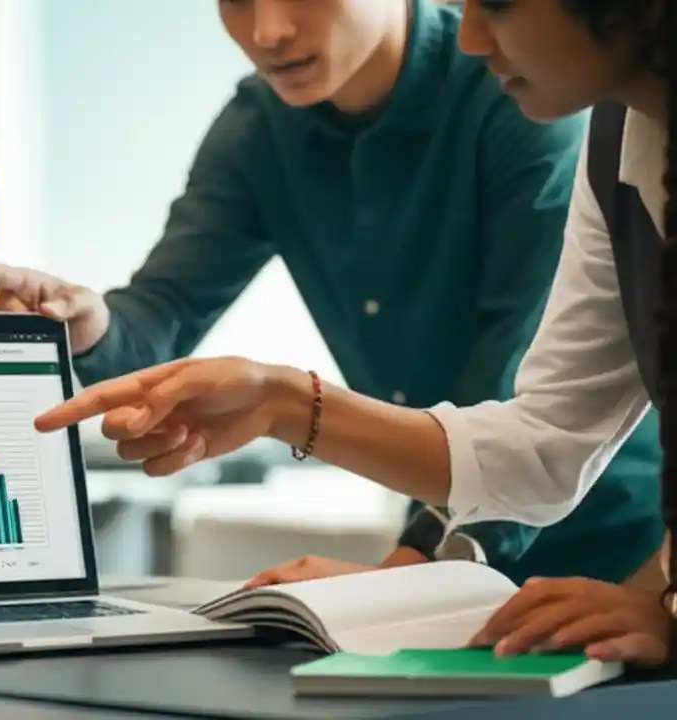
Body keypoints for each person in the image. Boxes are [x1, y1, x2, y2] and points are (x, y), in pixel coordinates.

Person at [35, 0, 677, 669]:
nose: (268, 31)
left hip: (620, 551)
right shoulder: (612, 140)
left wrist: (409, 576)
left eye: (496, 4)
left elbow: (518, 410)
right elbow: (541, 442)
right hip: (556, 588)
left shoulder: (528, 111)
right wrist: (275, 401)